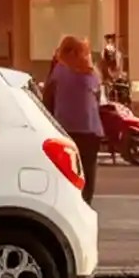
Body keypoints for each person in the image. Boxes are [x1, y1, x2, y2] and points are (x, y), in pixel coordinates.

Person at [47, 36, 103, 204]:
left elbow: (47, 101)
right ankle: (85, 205)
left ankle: (68, 208)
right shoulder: (93, 74)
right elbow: (97, 101)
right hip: (91, 132)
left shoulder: (58, 71)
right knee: (87, 175)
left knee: (66, 175)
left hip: (65, 131)